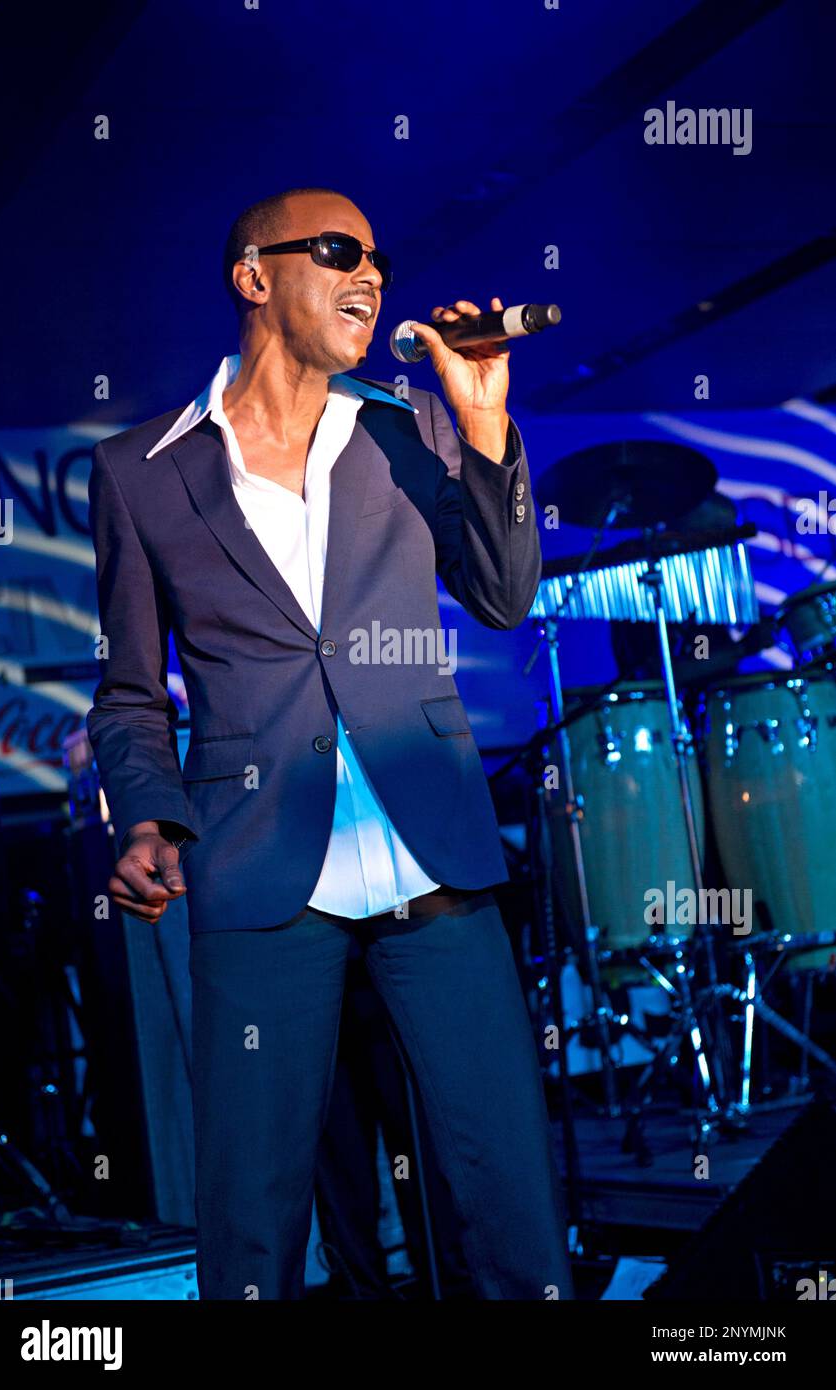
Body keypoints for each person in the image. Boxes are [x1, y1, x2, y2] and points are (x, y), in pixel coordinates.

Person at [87, 186, 572, 1300]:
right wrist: (149, 811)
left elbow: (502, 597)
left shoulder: (404, 434)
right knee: (253, 1218)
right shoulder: (139, 472)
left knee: (505, 1192)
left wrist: (486, 423)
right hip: (259, 868)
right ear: (254, 275)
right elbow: (126, 694)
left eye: (379, 260)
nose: (370, 276)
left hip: (431, 854)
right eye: (338, 251)